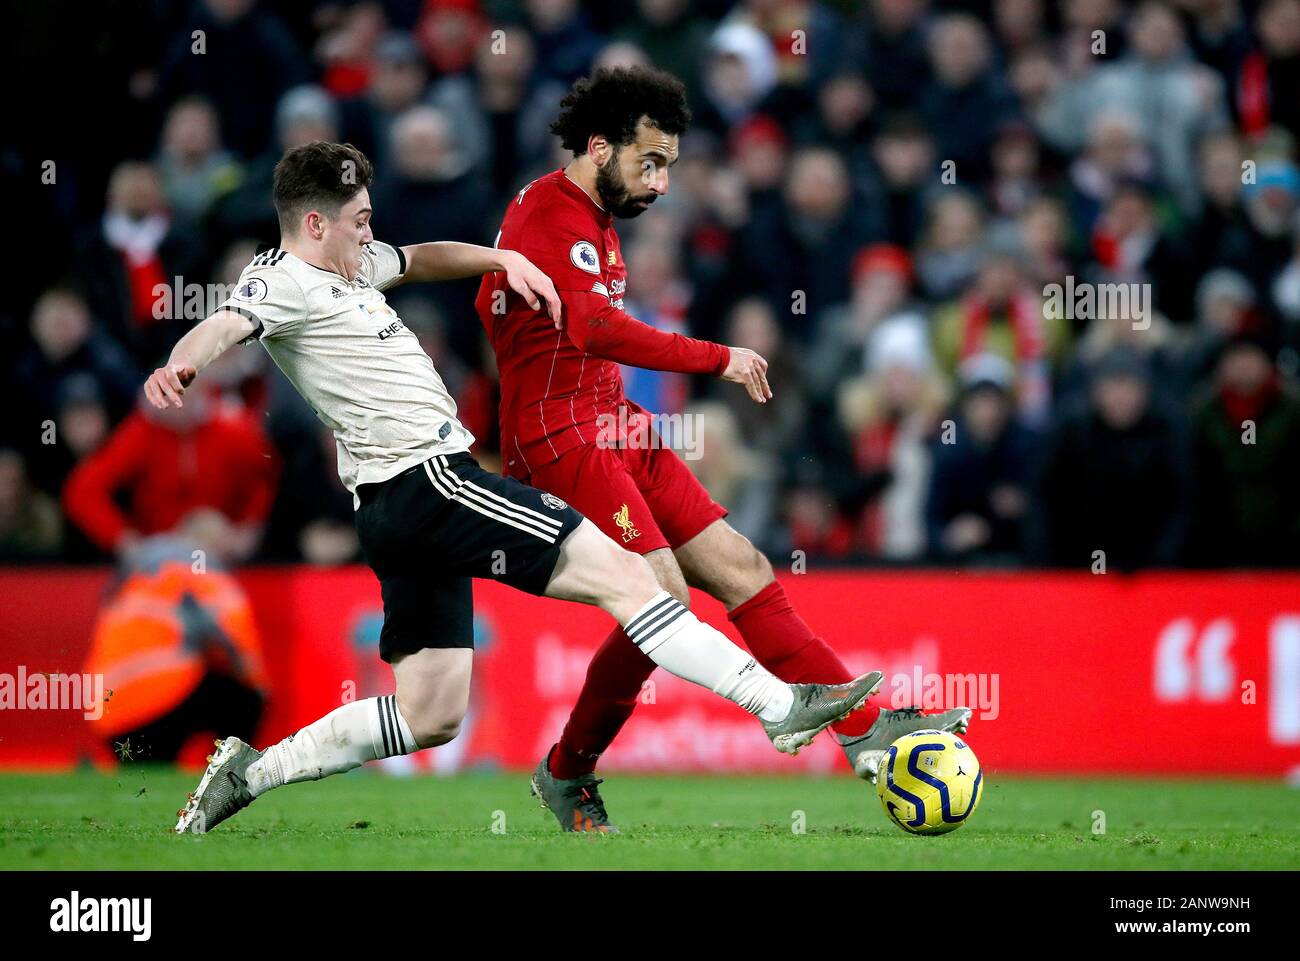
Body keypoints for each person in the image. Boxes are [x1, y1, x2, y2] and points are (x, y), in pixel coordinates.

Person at [147, 141, 882, 835]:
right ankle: (781, 705)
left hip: (389, 509)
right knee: (635, 580)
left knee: (431, 713)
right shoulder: (280, 281)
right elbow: (223, 324)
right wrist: (180, 366)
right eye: (359, 218)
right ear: (314, 222)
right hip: (434, 480)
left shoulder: (350, 265)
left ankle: (250, 771)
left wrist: (502, 256)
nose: (370, 231)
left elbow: (419, 259)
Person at [475, 67, 969, 832]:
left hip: (615, 420)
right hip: (562, 436)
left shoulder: (589, 217)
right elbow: (594, 330)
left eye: (668, 163)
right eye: (651, 161)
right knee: (661, 600)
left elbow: (497, 302)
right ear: (599, 147)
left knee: (742, 566)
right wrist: (718, 356)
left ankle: (864, 728)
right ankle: (569, 770)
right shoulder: (550, 210)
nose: (663, 182)